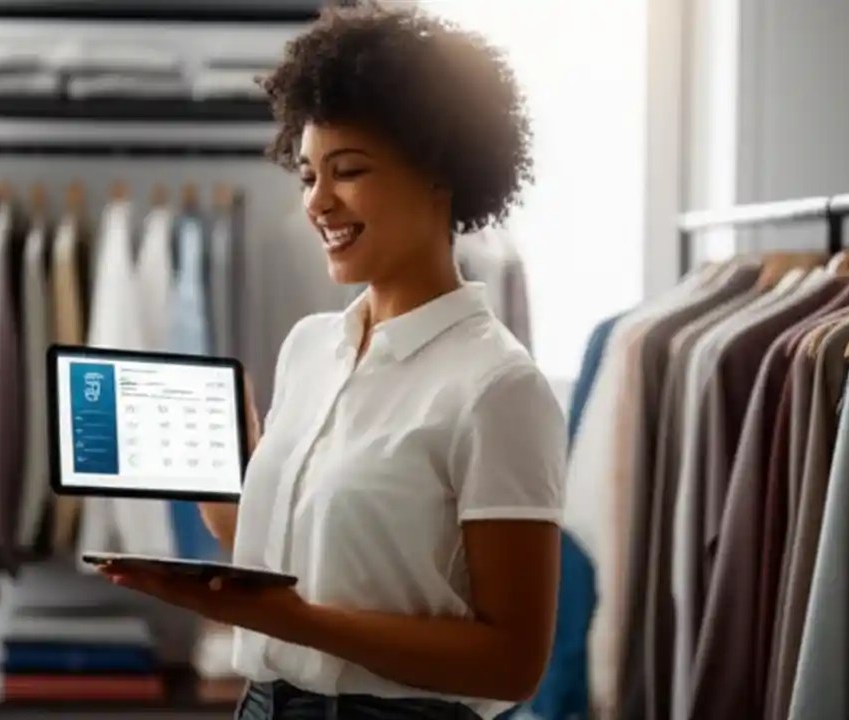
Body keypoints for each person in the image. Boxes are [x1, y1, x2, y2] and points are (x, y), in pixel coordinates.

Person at [96, 4, 567, 719]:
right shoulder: (310, 347)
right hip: (263, 706)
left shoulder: (499, 388)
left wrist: (290, 621)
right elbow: (300, 562)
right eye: (308, 174)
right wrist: (225, 495)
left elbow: (512, 664)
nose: (318, 201)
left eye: (348, 171)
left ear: (439, 174)